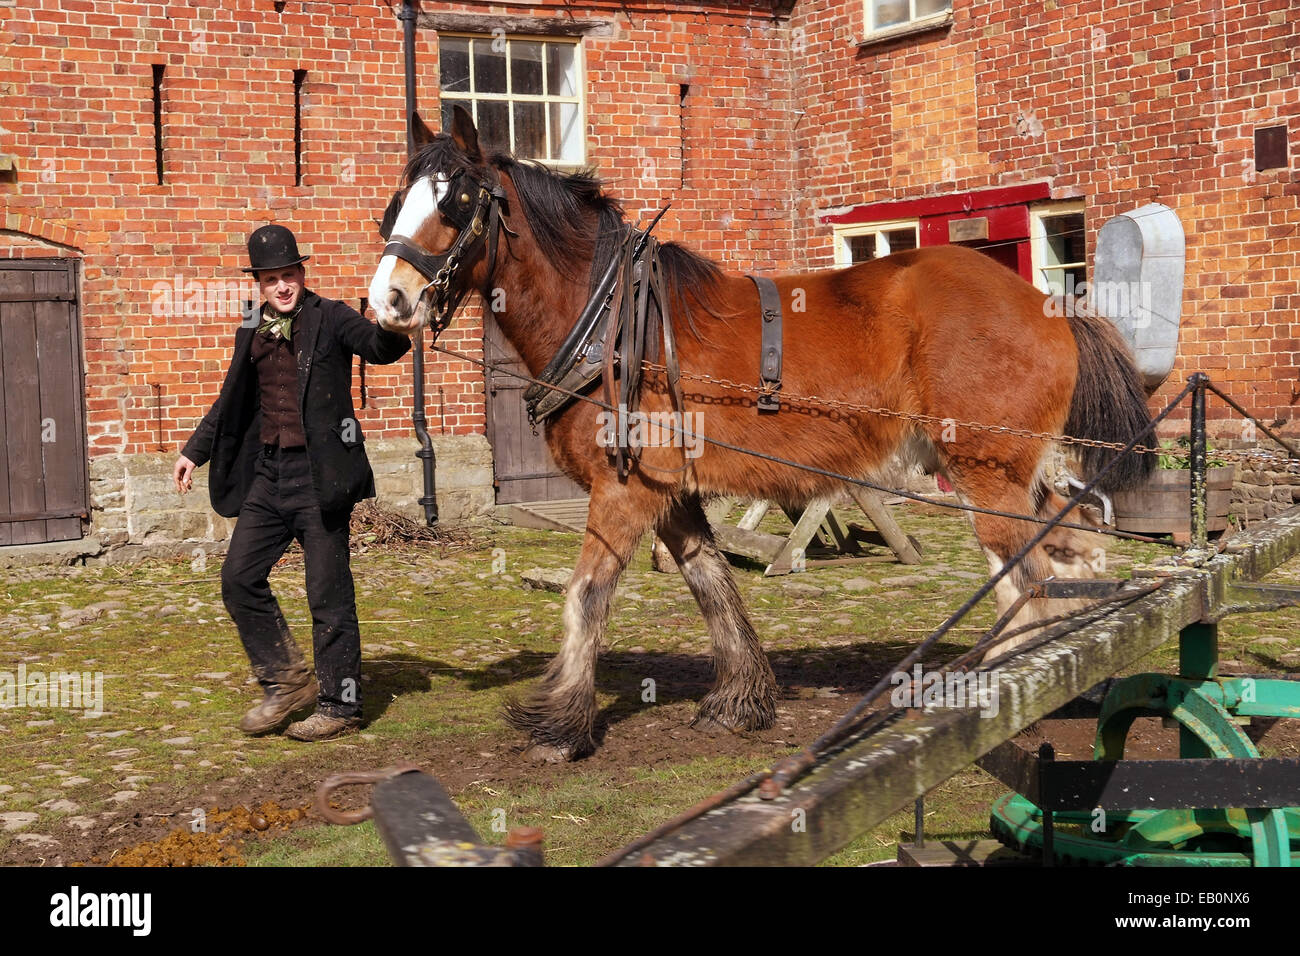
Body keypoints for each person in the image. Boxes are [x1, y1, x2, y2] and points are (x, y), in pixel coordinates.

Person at [173, 225, 412, 741]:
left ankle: (339, 706)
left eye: (289, 275)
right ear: (258, 284)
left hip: (320, 479)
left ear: (302, 274)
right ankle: (284, 682)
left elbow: (378, 347)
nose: (281, 286)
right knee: (238, 579)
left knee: (327, 594)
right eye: (271, 279)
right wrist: (195, 450)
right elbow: (229, 397)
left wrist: (395, 318)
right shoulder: (251, 327)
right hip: (268, 476)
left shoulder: (332, 318)